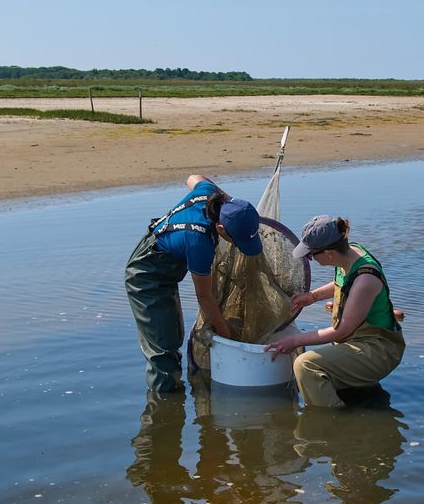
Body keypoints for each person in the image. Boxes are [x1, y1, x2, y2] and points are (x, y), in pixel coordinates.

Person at [126, 174, 263, 392]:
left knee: (175, 334)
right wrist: (225, 333)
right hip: (146, 276)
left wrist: (227, 200)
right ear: (220, 229)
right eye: (237, 241)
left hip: (167, 261)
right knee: (164, 351)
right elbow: (204, 297)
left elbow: (194, 178)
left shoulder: (212, 195)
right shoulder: (199, 242)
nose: (237, 247)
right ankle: (163, 406)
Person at [265, 215, 405, 408]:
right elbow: (345, 283)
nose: (311, 259)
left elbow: (342, 331)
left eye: (311, 255)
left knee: (306, 365)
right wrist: (313, 296)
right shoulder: (350, 255)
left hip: (379, 350)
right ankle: (352, 392)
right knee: (317, 359)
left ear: (329, 253)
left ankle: (331, 424)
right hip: (357, 341)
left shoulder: (366, 280)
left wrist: (295, 340)